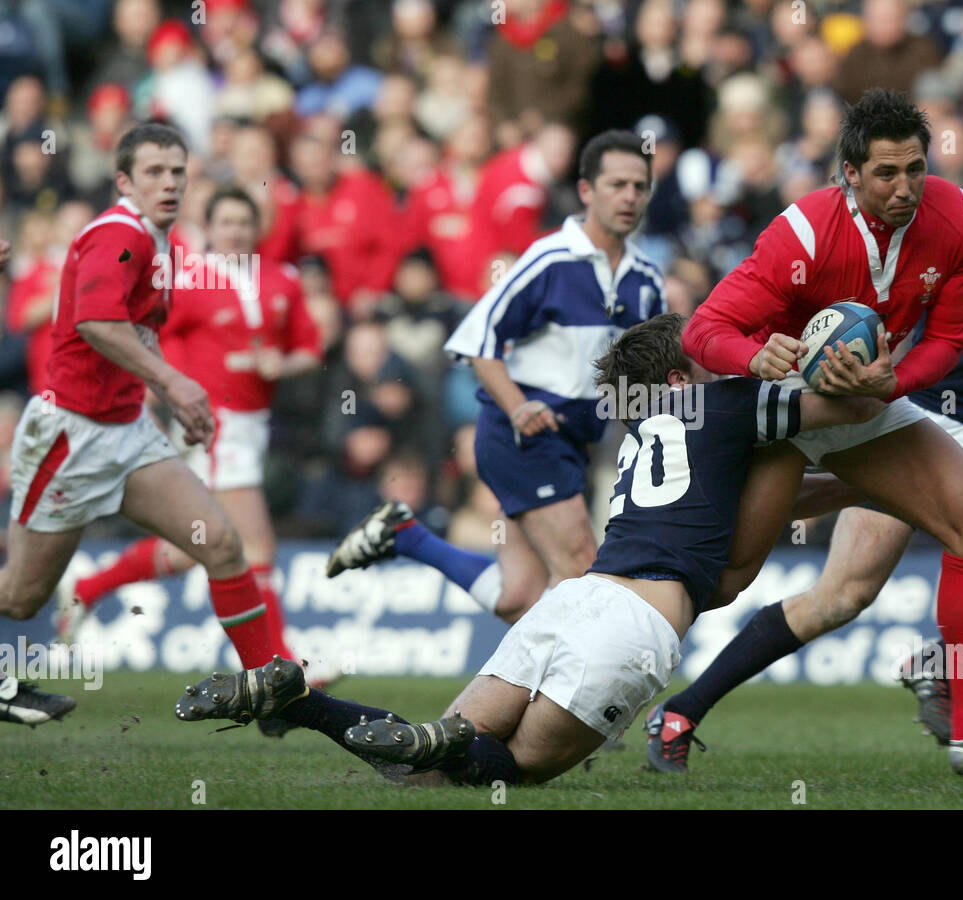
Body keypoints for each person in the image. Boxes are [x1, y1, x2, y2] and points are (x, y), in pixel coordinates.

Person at [172, 313, 897, 785]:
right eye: (706, 356)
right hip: (638, 622)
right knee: (508, 771)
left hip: (577, 597)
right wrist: (869, 370)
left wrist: (842, 483)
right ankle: (386, 720)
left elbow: (743, 510)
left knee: (427, 767)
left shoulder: (651, 430)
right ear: (680, 378)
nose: (722, 358)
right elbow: (856, 405)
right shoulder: (731, 405)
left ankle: (295, 699)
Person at [646, 88, 963, 776]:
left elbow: (953, 337)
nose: (905, 188)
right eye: (886, 174)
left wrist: (895, 383)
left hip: (885, 408)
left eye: (916, 169)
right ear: (850, 174)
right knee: (737, 579)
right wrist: (755, 355)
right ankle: (659, 700)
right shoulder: (802, 232)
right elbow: (705, 331)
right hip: (794, 407)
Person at [0, 124, 288, 727]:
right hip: (70, 436)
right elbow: (97, 323)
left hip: (127, 430)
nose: (171, 182)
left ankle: (270, 690)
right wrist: (176, 383)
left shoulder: (160, 241)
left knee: (223, 542)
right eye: (155, 171)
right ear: (124, 181)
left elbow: (133, 335)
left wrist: (168, 396)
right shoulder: (120, 235)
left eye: (178, 171)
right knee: (21, 597)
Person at [324, 130, 665, 626]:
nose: (630, 196)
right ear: (587, 190)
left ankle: (406, 536)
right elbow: (476, 341)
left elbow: (642, 373)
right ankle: (557, 703)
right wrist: (518, 406)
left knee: (517, 597)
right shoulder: (549, 261)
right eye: (617, 184)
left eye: (640, 185)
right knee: (580, 570)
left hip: (574, 443)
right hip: (522, 437)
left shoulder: (647, 279)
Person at [55, 185, 325, 706]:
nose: (236, 231)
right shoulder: (191, 279)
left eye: (244, 222)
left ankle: (89, 588)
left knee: (199, 545)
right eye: (225, 222)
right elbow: (154, 336)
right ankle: (285, 668)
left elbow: (309, 348)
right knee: (255, 546)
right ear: (209, 227)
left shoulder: (283, 280)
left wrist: (282, 365)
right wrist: (172, 391)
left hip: (255, 423)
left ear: (257, 228)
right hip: (213, 423)